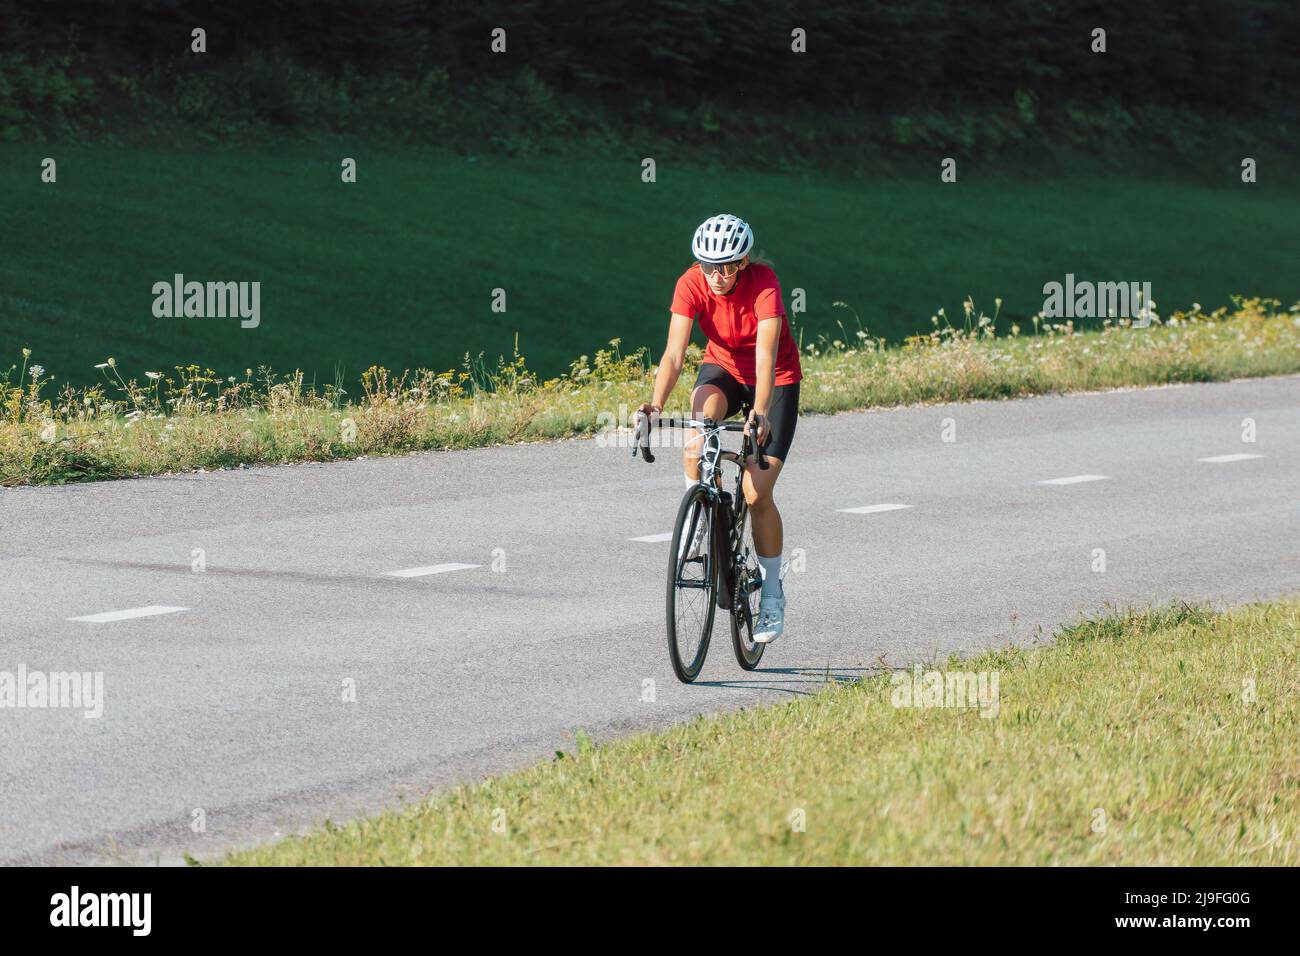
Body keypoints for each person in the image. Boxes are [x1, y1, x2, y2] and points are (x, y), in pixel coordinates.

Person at [635, 213, 802, 644]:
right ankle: (700, 516)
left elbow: (766, 357)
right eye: (708, 265)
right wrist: (654, 405)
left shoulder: (764, 284)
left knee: (755, 491)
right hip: (723, 369)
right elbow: (674, 356)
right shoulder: (690, 284)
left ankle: (771, 593)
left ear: (742, 262)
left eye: (726, 266)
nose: (717, 275)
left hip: (775, 380)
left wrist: (760, 410)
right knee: (698, 423)